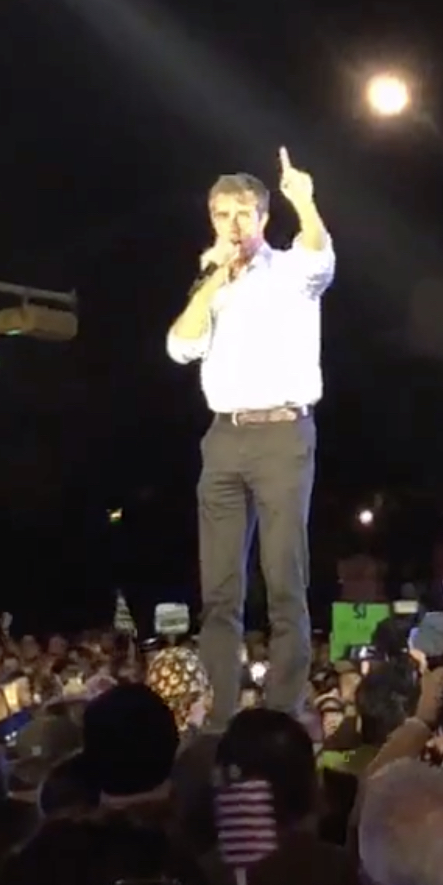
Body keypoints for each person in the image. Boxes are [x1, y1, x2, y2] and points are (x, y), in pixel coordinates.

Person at [166, 149, 335, 725]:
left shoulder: (289, 270)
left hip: (282, 435)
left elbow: (320, 259)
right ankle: (221, 713)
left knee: (284, 578)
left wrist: (304, 201)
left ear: (263, 216)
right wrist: (214, 277)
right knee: (219, 589)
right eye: (221, 214)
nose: (232, 225)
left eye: (242, 213)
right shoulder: (212, 283)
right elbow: (179, 346)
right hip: (223, 439)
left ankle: (282, 709)